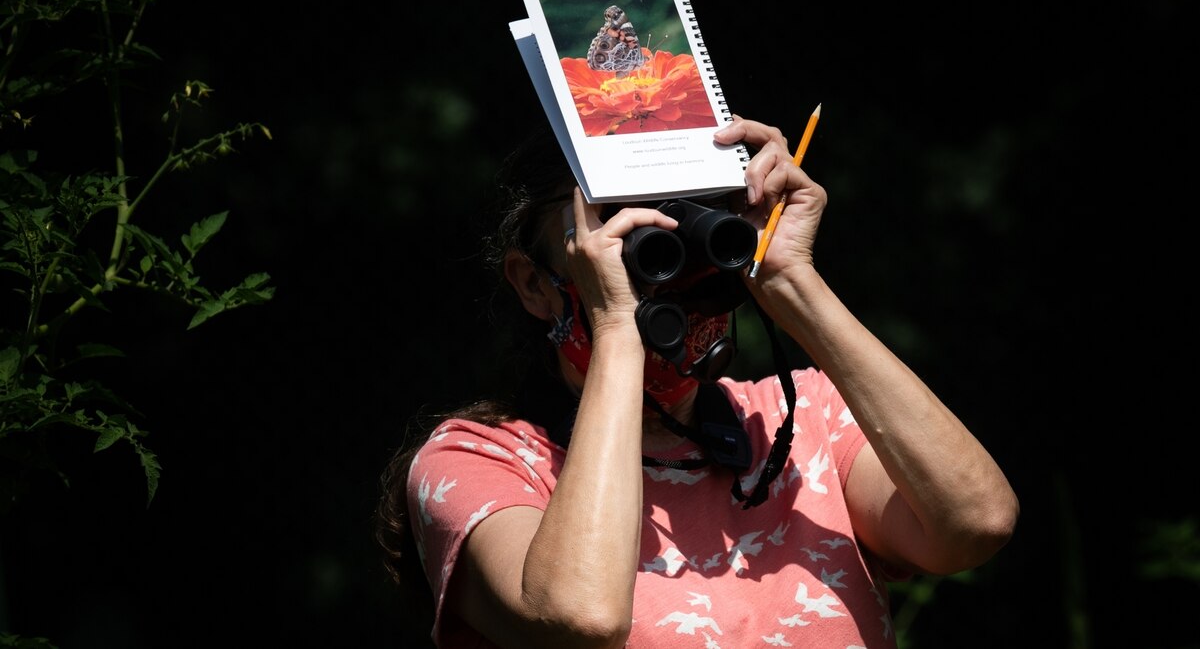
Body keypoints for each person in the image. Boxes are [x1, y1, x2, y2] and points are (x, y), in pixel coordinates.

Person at [374, 116, 1019, 648]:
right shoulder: (478, 461)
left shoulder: (806, 423)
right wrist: (618, 326)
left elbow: (975, 522)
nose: (668, 261)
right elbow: (578, 617)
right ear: (534, 282)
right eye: (623, 226)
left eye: (690, 217)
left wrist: (791, 280)